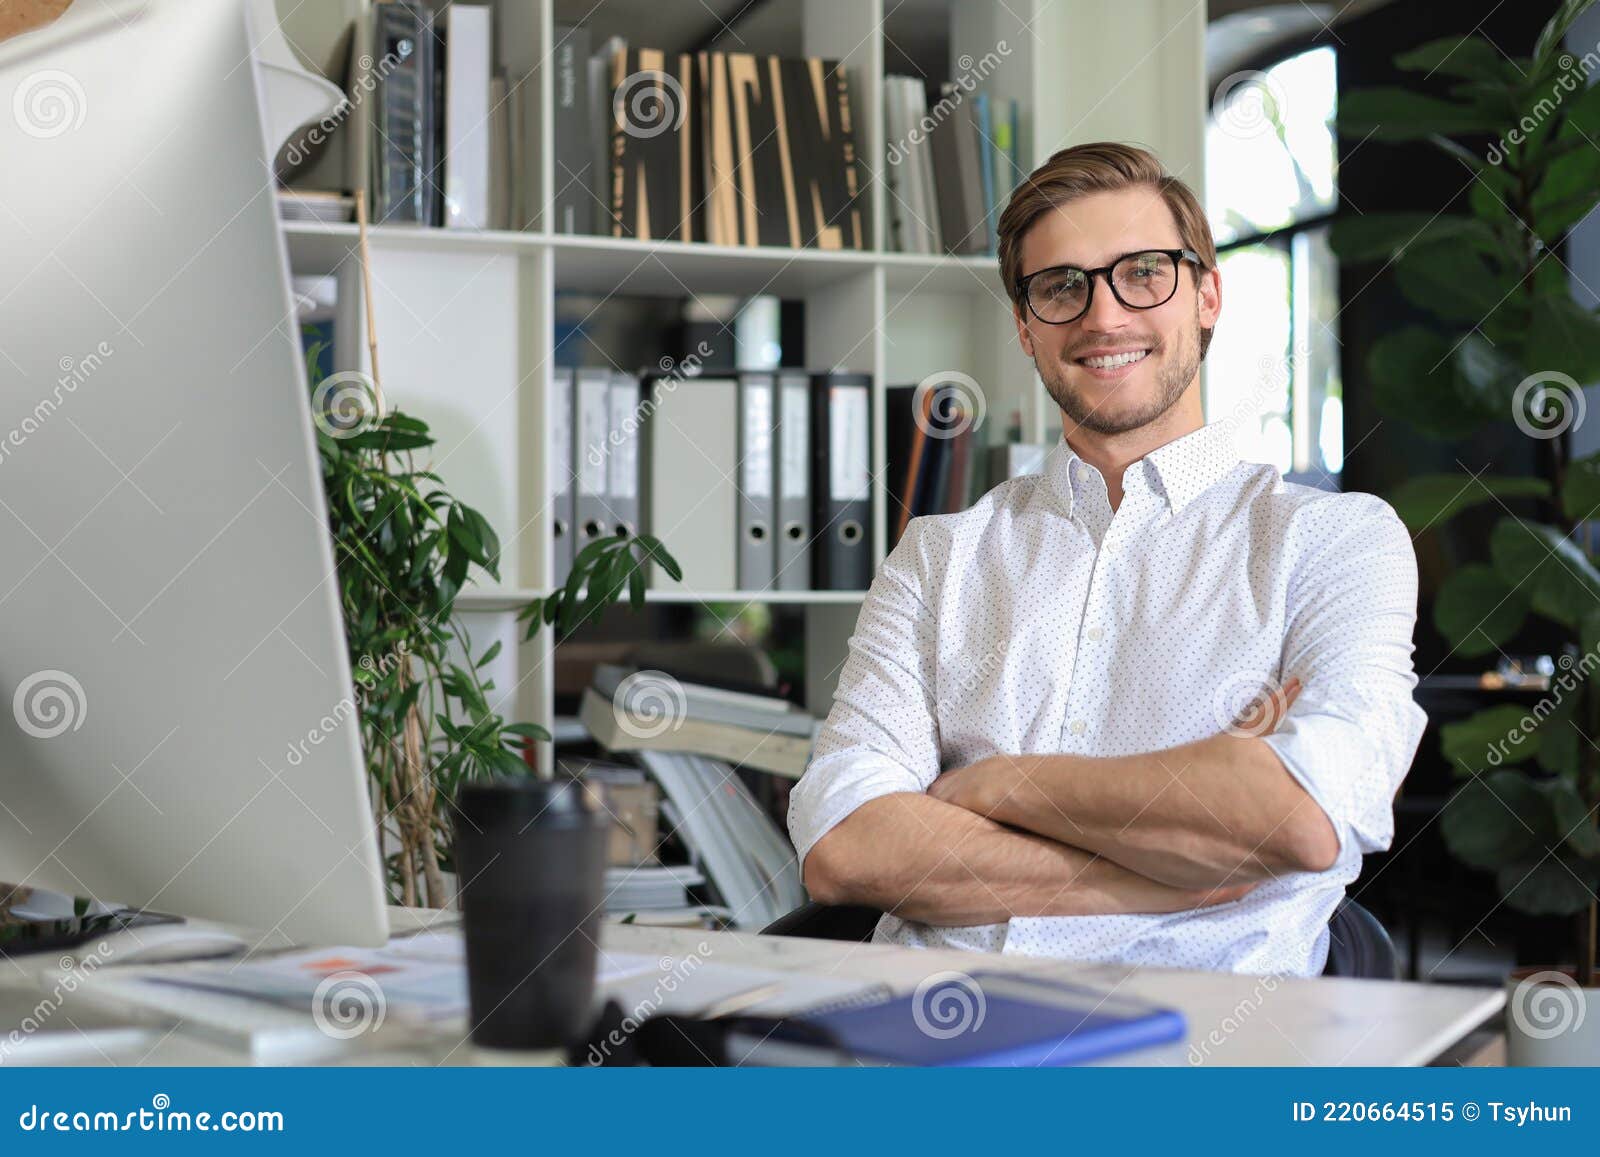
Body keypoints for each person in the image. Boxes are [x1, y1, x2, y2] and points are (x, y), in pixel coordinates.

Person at [788, 142, 1427, 976]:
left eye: (1144, 273)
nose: (1104, 316)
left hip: (1199, 1061)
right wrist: (1172, 867)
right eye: (1062, 286)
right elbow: (844, 841)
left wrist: (1000, 784)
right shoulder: (940, 558)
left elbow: (1300, 815)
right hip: (924, 1042)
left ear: (1207, 294)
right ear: (1025, 325)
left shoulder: (1333, 541)